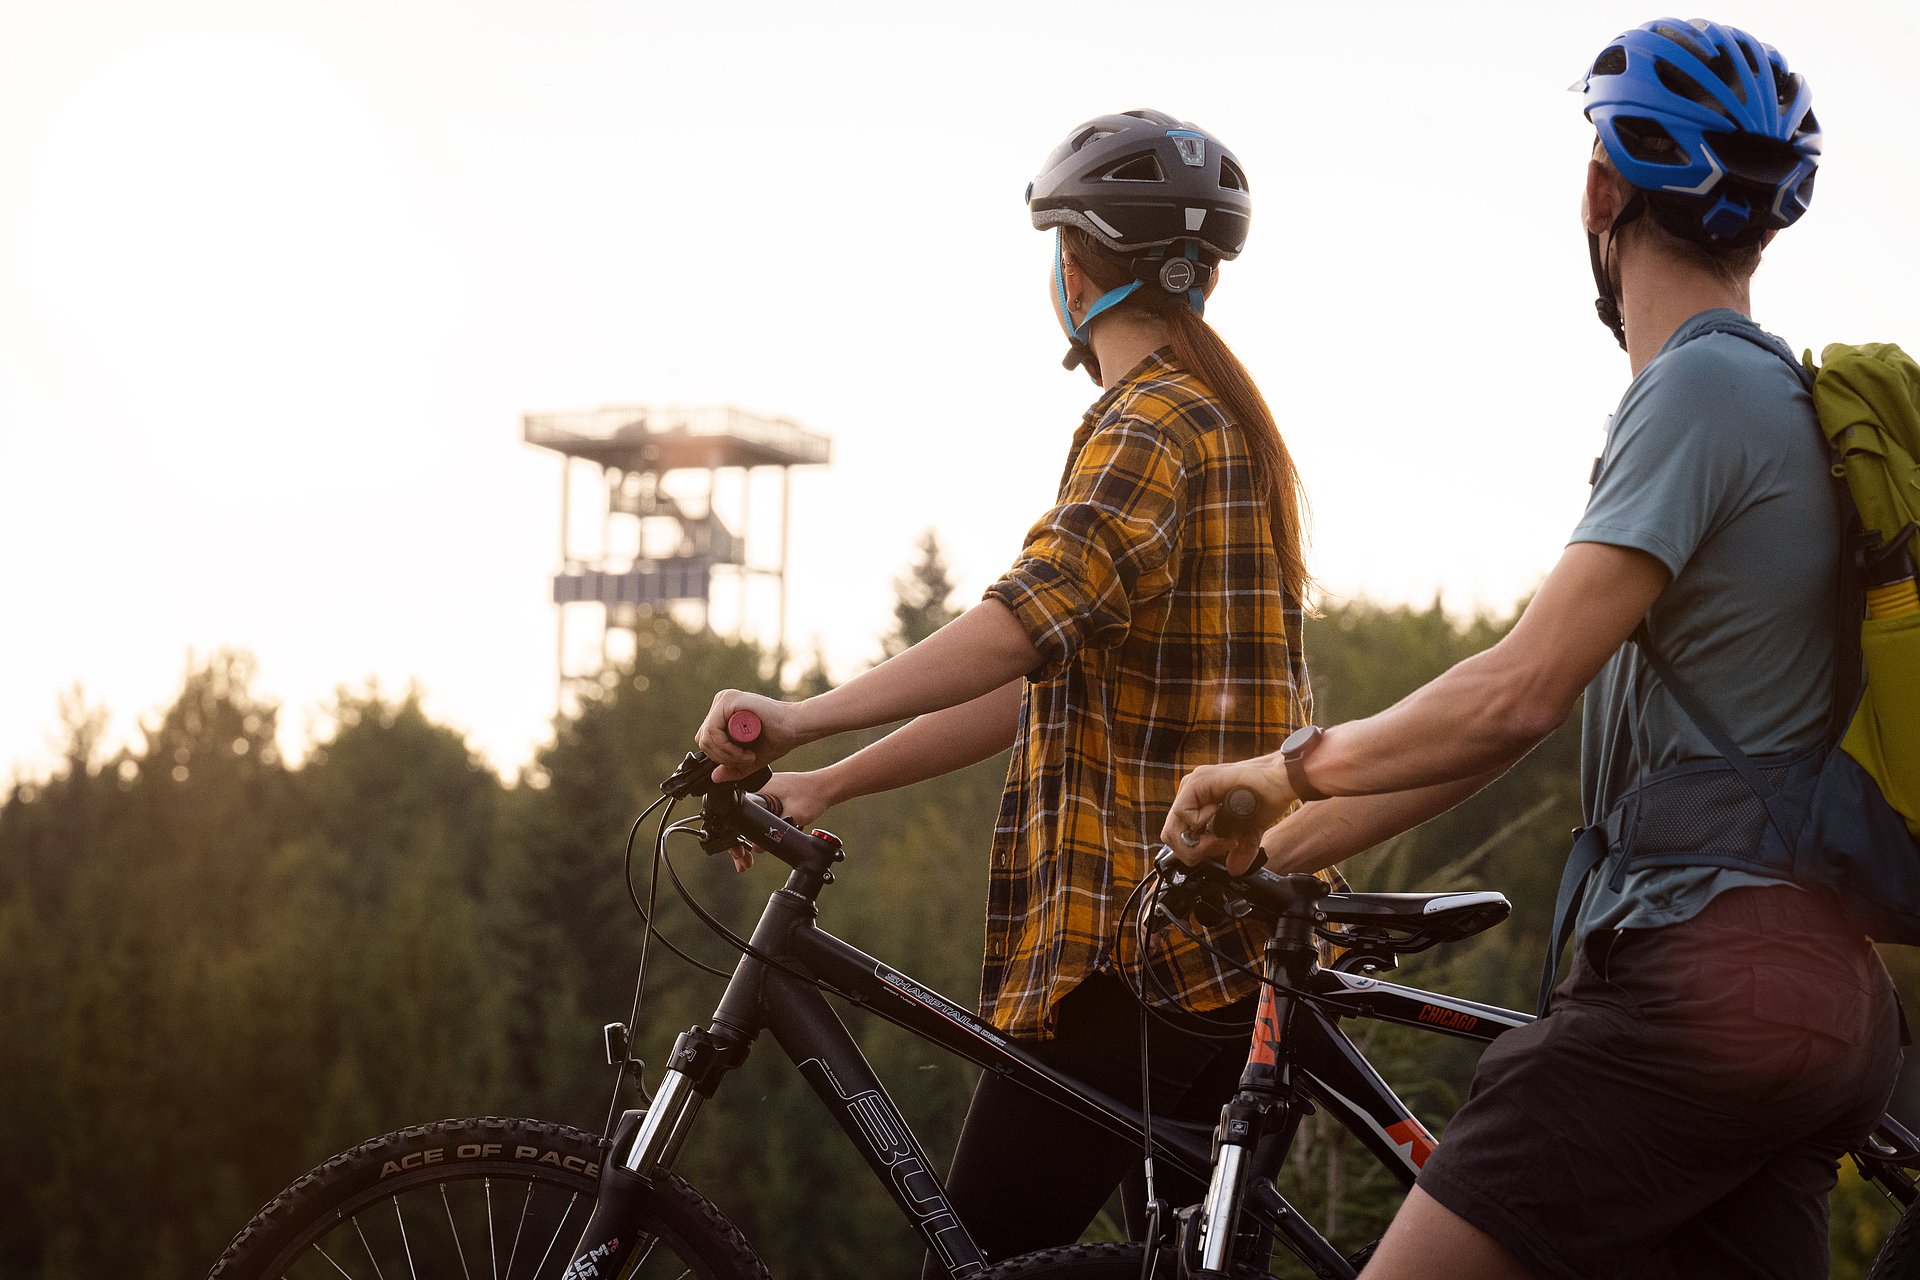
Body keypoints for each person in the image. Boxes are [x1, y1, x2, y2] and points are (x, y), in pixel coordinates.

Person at [1164, 19, 1901, 1280]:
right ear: (1770, 223)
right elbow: (1521, 721)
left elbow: (1512, 693)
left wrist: (1277, 772)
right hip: (1810, 1000)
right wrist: (1275, 849)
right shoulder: (1770, 406)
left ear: (1600, 193)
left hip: (1693, 989)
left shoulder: (1699, 394)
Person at [694, 109, 1338, 1269]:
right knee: (1177, 1263)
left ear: (1075, 266)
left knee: (976, 1258)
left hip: (1142, 955)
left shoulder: (1148, 425)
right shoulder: (1221, 421)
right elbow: (1042, 672)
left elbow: (1015, 624)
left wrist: (793, 712)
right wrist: (833, 776)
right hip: (1223, 949)